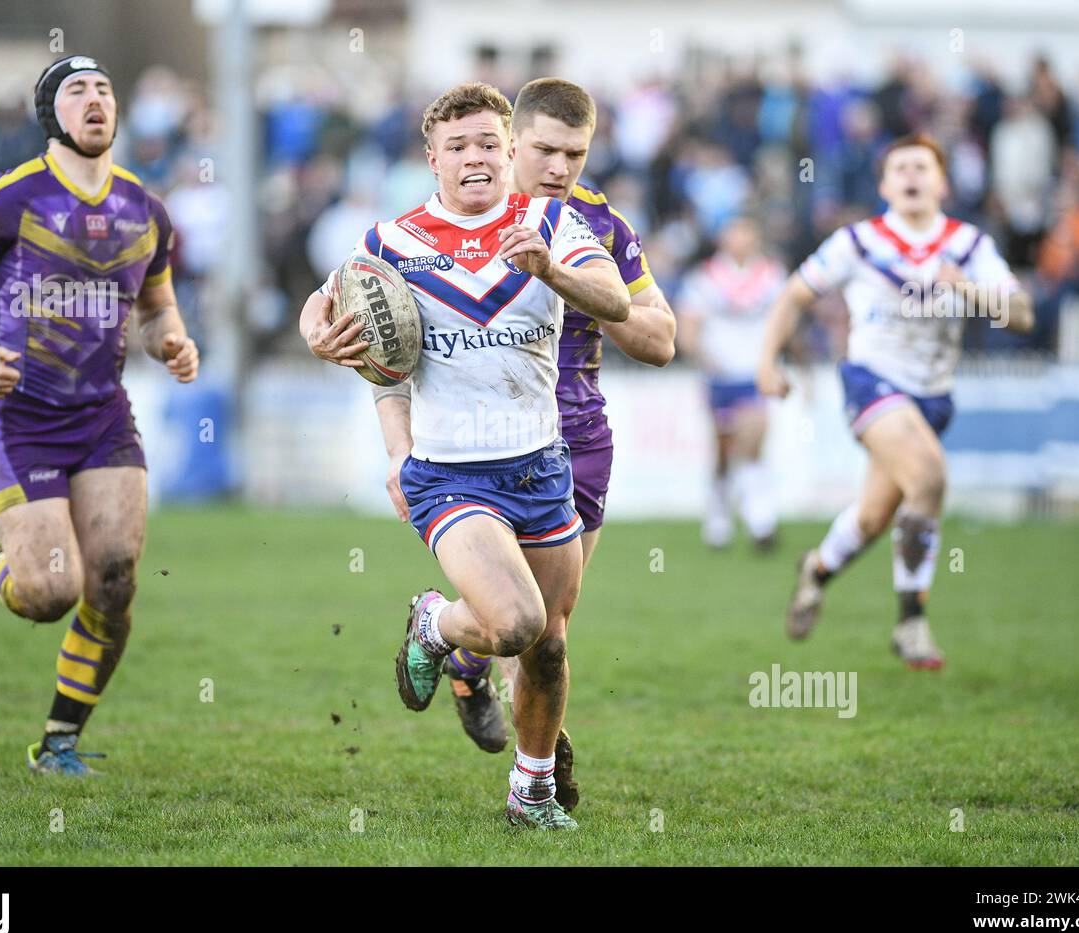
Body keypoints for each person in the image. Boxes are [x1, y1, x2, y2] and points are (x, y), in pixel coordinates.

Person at [299, 81, 631, 829]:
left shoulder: (552, 220)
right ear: (432, 159)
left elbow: (615, 302)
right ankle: (437, 625)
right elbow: (322, 303)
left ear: (509, 150)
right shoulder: (391, 242)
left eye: (488, 143)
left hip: (542, 466)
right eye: (459, 146)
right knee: (513, 624)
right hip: (450, 474)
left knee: (547, 645)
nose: (475, 157)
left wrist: (551, 269)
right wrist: (317, 334)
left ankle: (532, 793)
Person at [0, 55, 199, 774]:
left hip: (104, 416)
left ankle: (59, 743)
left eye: (105, 88)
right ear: (53, 115)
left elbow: (158, 303)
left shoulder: (146, 209)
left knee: (114, 581)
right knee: (47, 593)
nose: (95, 100)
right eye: (77, 91)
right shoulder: (11, 197)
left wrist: (173, 338)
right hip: (22, 416)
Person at [432, 77, 676, 813]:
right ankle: (542, 766)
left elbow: (659, 340)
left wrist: (569, 278)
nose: (559, 168)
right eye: (543, 150)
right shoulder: (458, 218)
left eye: (575, 153)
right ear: (511, 143)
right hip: (484, 442)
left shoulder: (600, 226)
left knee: (549, 618)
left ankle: (470, 663)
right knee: (540, 630)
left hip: (579, 433)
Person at [756, 134, 1033, 668]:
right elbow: (794, 293)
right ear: (884, 184)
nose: (911, 175)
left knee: (876, 516)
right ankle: (911, 622)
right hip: (872, 381)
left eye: (922, 167)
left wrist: (971, 290)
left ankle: (816, 568)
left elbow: (1020, 314)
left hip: (933, 396)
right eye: (900, 167)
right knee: (929, 477)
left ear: (942, 181)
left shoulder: (969, 245)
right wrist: (768, 361)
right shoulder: (858, 242)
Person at [677, 216, 784, 550]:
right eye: (734, 232)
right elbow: (688, 325)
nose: (740, 238)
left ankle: (760, 520)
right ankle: (719, 518)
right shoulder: (705, 278)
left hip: (754, 374)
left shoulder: (772, 276)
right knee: (724, 453)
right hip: (719, 377)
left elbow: (785, 319)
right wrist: (701, 356)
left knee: (753, 443)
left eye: (746, 231)